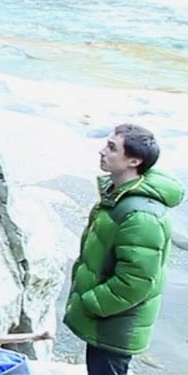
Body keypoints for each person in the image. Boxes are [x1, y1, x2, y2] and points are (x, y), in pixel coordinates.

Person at [63, 123, 183, 375]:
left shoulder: (141, 215)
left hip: (116, 324)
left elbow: (136, 281)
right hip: (109, 320)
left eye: (111, 147)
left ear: (134, 161)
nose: (102, 151)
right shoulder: (118, 194)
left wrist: (92, 302)